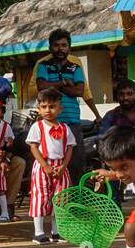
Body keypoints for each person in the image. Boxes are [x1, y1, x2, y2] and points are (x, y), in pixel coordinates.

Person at [34, 28, 102, 186]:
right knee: (48, 160)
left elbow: (79, 90)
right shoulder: (43, 66)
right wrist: (64, 83)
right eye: (56, 45)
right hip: (48, 124)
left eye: (64, 45)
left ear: (69, 47)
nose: (60, 49)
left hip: (72, 123)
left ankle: (76, 201)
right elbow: (41, 87)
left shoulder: (75, 68)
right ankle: (53, 202)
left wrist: (54, 87)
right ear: (50, 47)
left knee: (76, 164)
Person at [26, 87, 76, 244]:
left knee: (61, 198)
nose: (48, 110)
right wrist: (45, 166)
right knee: (41, 197)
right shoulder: (37, 127)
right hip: (43, 166)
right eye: (44, 106)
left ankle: (57, 231)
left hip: (61, 167)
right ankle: (39, 232)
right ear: (39, 108)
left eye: (52, 106)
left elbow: (69, 148)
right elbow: (33, 147)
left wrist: (63, 166)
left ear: (60, 108)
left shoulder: (65, 128)